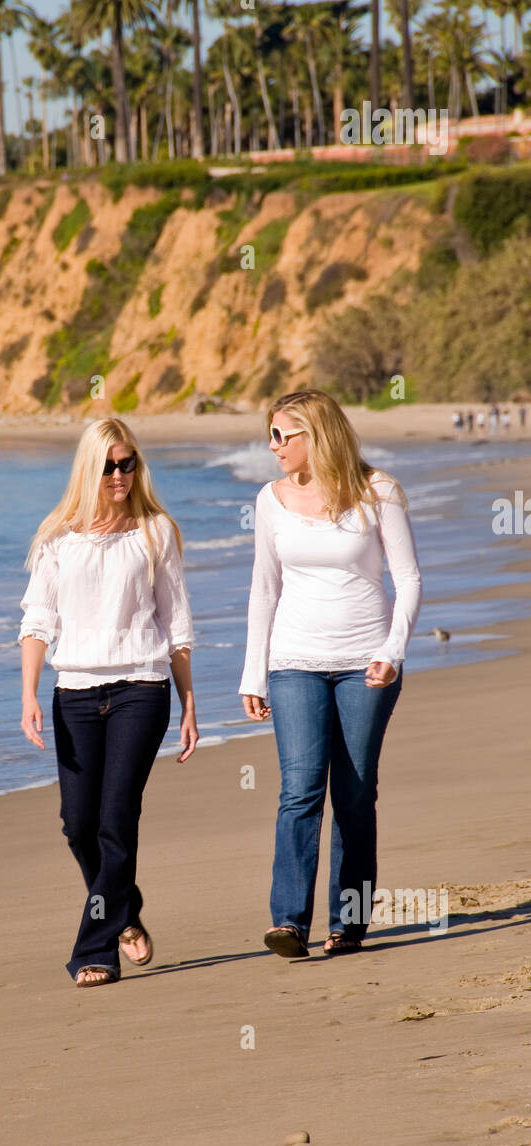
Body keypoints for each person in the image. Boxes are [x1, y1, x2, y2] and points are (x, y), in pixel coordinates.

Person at [238, 389, 422, 959]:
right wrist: (253, 673)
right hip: (293, 662)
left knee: (355, 792)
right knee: (300, 789)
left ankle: (350, 922)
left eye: (281, 436)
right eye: (270, 435)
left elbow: (408, 579)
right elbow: (264, 587)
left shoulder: (378, 490)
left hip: (366, 661)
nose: (272, 447)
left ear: (315, 436)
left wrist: (392, 650)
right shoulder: (270, 500)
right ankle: (289, 922)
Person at [19, 418, 198, 987]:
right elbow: (37, 619)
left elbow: (176, 622)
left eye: (128, 464)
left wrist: (190, 701)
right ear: (88, 469)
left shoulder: (156, 532)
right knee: (78, 825)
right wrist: (27, 693)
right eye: (109, 466)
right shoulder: (56, 537)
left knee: (117, 821)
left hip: (142, 689)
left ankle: (94, 949)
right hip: (73, 692)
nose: (120, 475)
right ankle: (122, 910)